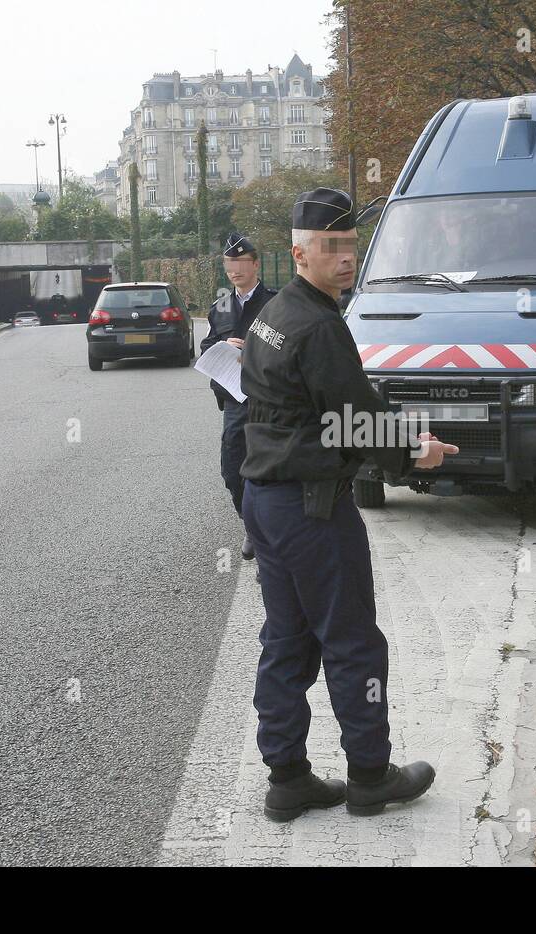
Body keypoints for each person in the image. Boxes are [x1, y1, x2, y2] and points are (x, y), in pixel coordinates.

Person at [239, 187, 459, 821]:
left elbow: (309, 413)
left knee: (286, 640)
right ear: (299, 252)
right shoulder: (319, 325)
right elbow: (353, 417)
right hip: (311, 509)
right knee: (353, 642)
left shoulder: (273, 314)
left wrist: (389, 437)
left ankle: (287, 779)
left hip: (266, 500)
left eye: (349, 247)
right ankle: (369, 774)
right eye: (329, 247)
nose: (344, 258)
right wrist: (415, 454)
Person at [199, 233, 276, 559]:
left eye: (242, 263)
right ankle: (250, 525)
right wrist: (221, 347)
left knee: (271, 469)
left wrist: (254, 351)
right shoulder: (221, 307)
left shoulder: (276, 302)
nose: (236, 270)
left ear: (255, 264)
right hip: (235, 398)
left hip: (270, 399)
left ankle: (267, 541)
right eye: (230, 264)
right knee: (233, 468)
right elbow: (205, 347)